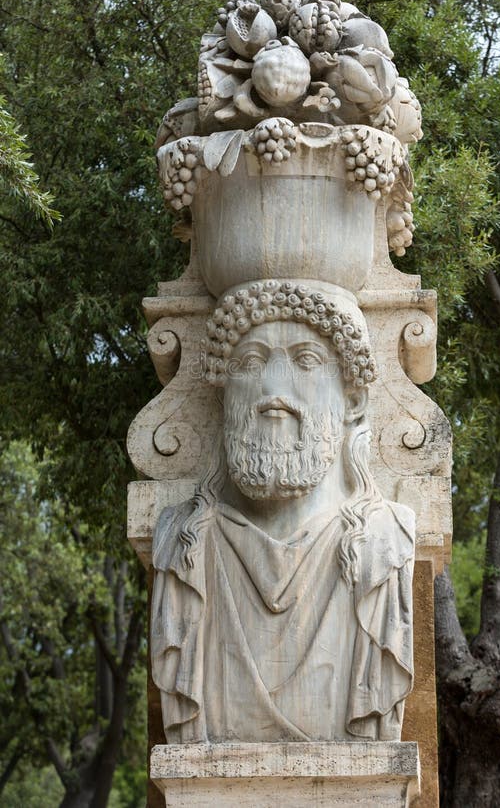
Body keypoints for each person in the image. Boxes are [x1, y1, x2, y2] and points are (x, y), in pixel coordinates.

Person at [151, 281, 415, 744]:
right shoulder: (184, 543)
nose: (273, 389)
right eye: (251, 363)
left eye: (305, 360)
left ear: (353, 401)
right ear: (223, 396)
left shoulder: (384, 547)